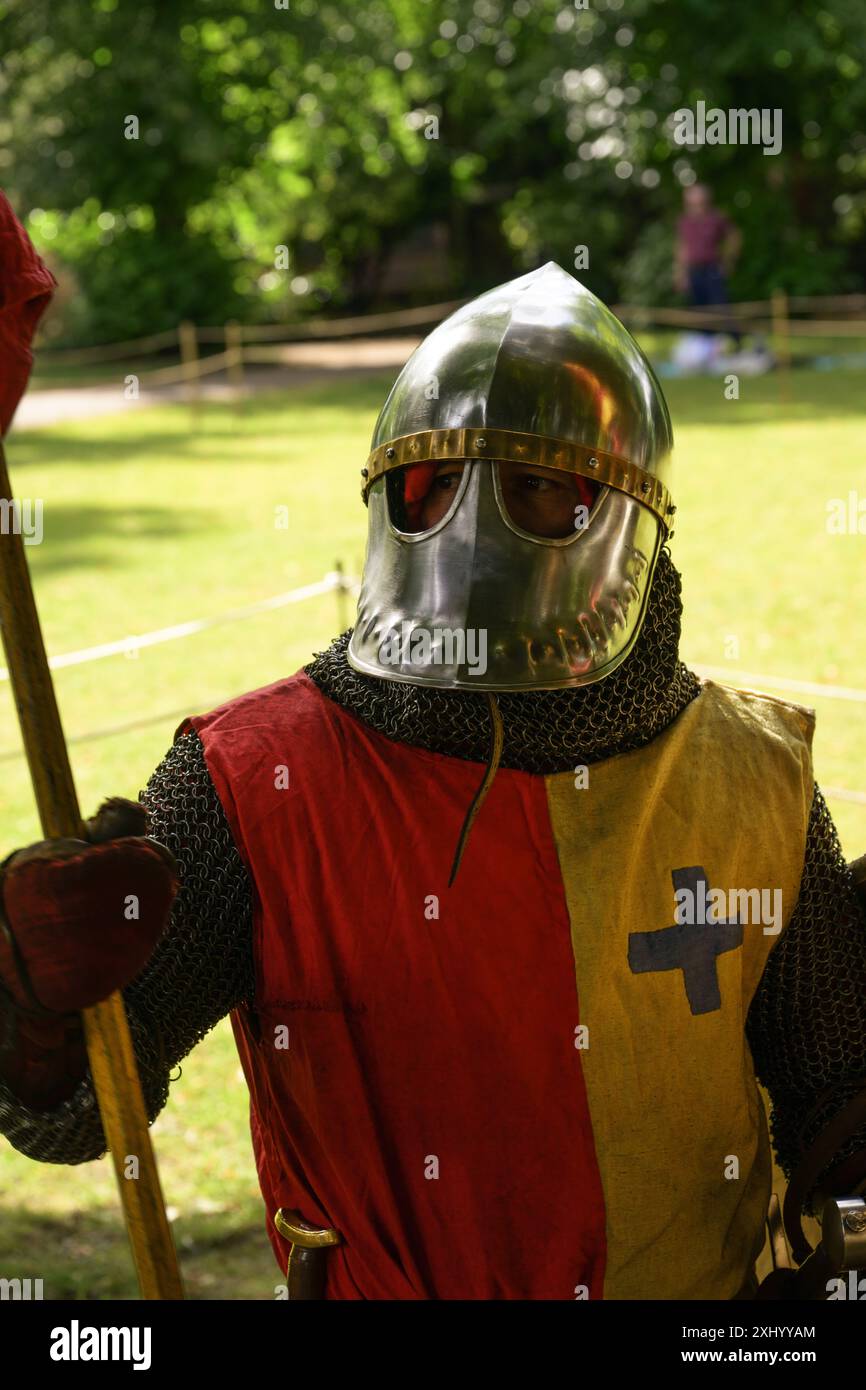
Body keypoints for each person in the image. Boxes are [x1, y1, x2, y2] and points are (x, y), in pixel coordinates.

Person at [1, 264, 865, 1300]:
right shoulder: (253, 777)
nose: (469, 534)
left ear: (624, 518)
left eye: (536, 484)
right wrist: (33, 1010)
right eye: (437, 484)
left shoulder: (753, 775)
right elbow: (83, 1109)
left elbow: (832, 1088)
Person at [674, 182, 743, 343]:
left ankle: (737, 341)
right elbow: (682, 247)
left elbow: (734, 237)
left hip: (712, 269)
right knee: (699, 311)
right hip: (693, 271)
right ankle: (706, 346)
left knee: (721, 307)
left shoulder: (716, 218)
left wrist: (728, 261)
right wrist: (680, 273)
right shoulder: (684, 221)